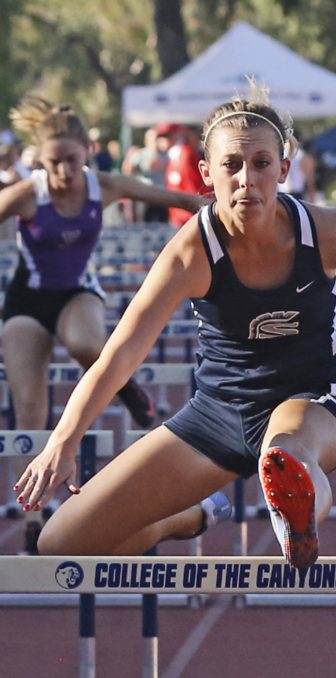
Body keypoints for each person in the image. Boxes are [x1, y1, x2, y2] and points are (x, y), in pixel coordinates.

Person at [13, 84, 336, 569]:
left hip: (312, 397)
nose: (246, 179)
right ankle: (184, 517)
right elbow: (119, 355)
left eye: (262, 164)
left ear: (284, 170)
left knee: (286, 452)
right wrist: (63, 442)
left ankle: (296, 521)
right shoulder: (190, 252)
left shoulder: (333, 233)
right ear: (206, 174)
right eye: (231, 165)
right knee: (61, 543)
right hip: (219, 410)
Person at [0, 96, 207, 554]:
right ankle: (33, 518)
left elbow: (178, 198)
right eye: (53, 163)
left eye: (71, 161)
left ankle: (127, 388)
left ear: (87, 153)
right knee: (28, 409)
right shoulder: (27, 194)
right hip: (26, 301)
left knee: (86, 343)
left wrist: (225, 209)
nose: (63, 172)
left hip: (78, 292)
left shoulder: (106, 186)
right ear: (40, 161)